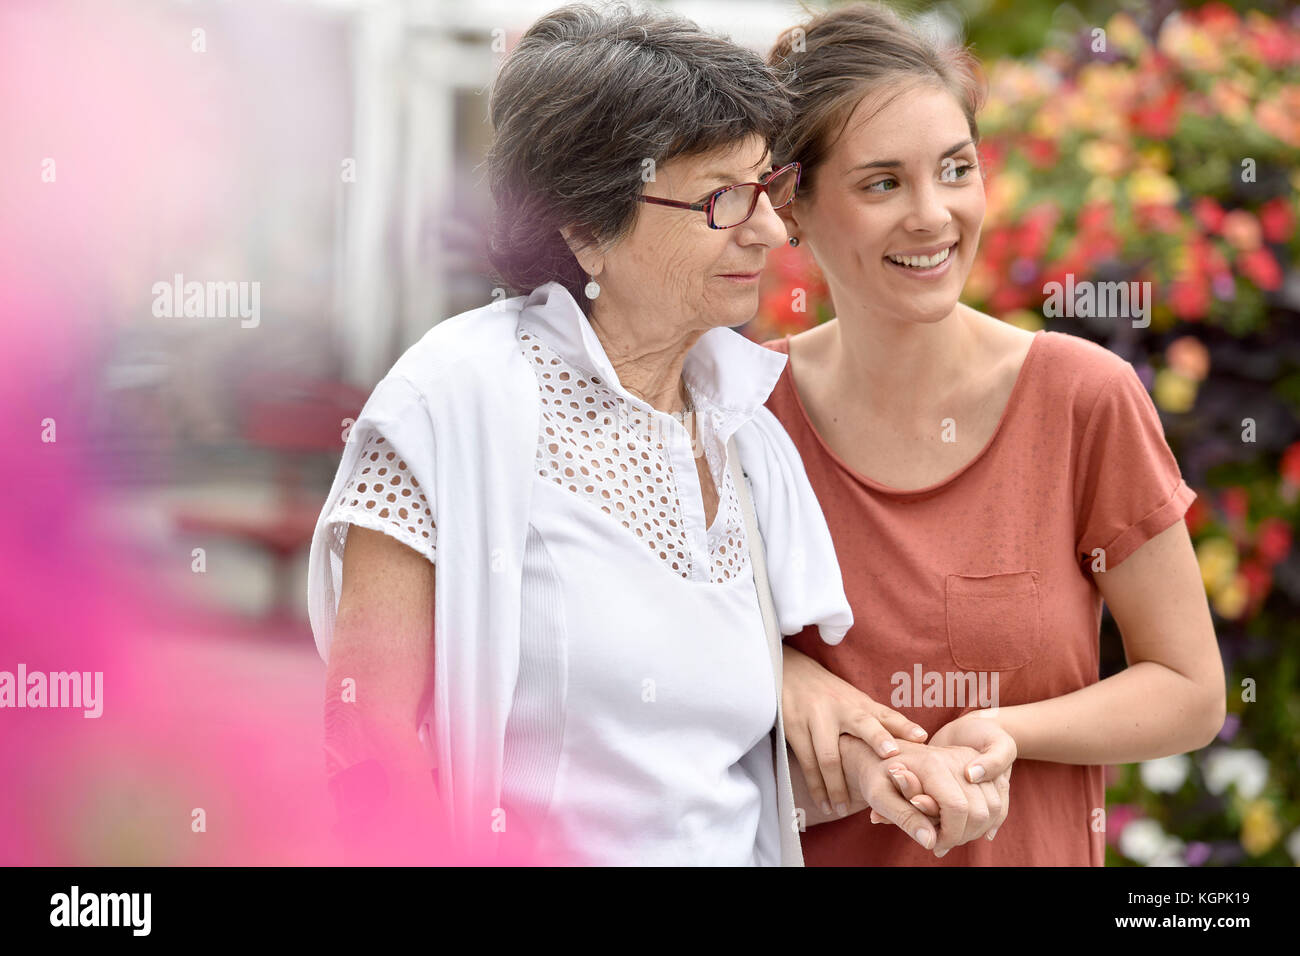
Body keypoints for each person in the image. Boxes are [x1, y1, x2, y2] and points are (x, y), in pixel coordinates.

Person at [306, 1, 883, 866]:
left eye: (769, 188)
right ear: (585, 230)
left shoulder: (744, 427)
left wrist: (906, 766)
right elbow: (366, 734)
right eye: (724, 199)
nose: (769, 229)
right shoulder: (454, 401)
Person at [765, 1, 1225, 865]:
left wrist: (1003, 730)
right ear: (793, 204)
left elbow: (1192, 692)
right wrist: (779, 675)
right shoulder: (744, 412)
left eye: (955, 168)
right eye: (882, 183)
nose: (934, 215)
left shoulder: (1083, 399)